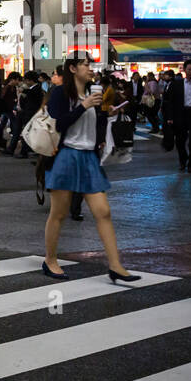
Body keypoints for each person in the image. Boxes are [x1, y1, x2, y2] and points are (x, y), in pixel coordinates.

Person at [41, 54, 139, 284]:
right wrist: (84, 106)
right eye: (86, 65)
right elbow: (59, 123)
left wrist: (105, 113)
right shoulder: (61, 93)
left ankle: (115, 265)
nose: (90, 69)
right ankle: (50, 259)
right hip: (65, 155)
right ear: (73, 68)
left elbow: (92, 124)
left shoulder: (92, 93)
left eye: (90, 65)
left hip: (88, 157)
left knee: (103, 211)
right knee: (59, 213)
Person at [163, 59, 191, 173]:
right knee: (180, 141)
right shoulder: (176, 84)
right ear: (184, 70)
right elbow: (170, 101)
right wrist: (170, 117)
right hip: (180, 115)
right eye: (189, 69)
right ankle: (183, 160)